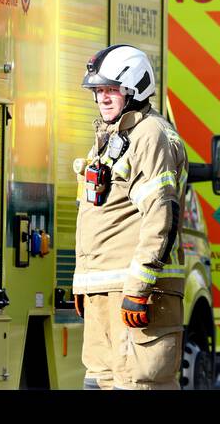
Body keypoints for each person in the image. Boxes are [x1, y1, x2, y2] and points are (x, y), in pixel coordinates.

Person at [72, 44, 188, 390]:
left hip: (136, 292)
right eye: (98, 91)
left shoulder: (150, 135)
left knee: (140, 384)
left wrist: (138, 289)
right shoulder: (112, 138)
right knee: (101, 383)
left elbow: (160, 216)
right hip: (105, 289)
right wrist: (85, 280)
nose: (102, 99)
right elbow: (99, 213)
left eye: (111, 90)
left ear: (135, 88)